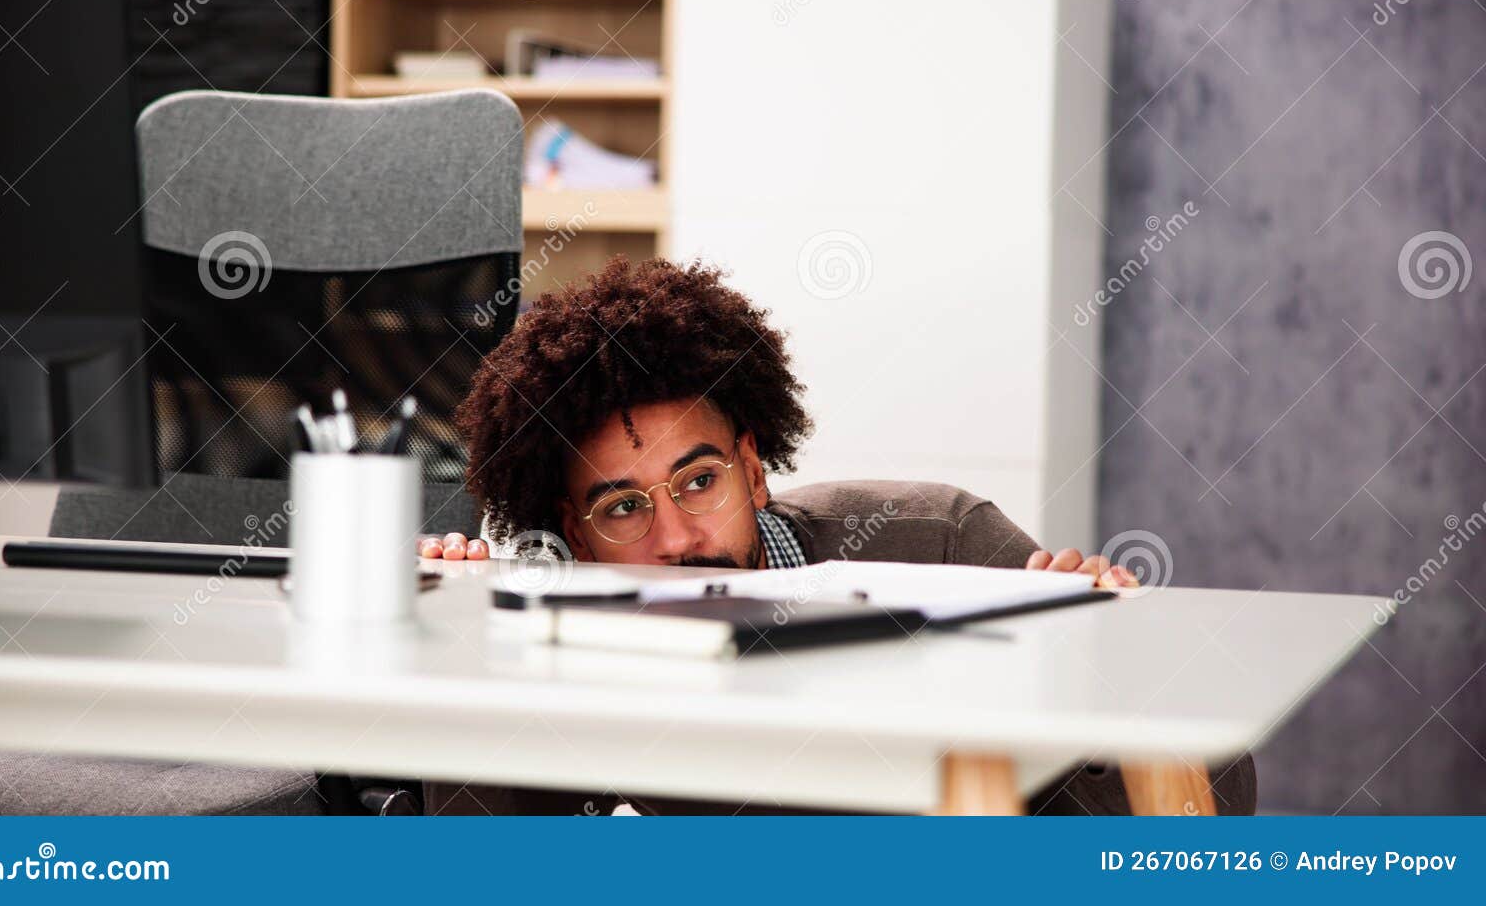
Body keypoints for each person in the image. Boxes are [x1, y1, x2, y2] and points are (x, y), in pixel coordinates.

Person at [419, 256, 1255, 815]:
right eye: (623, 507)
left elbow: (1221, 794)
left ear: (753, 468)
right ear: (576, 529)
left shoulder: (940, 542)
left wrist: (1095, 688)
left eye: (699, 481)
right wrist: (451, 669)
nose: (674, 539)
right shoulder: (560, 634)